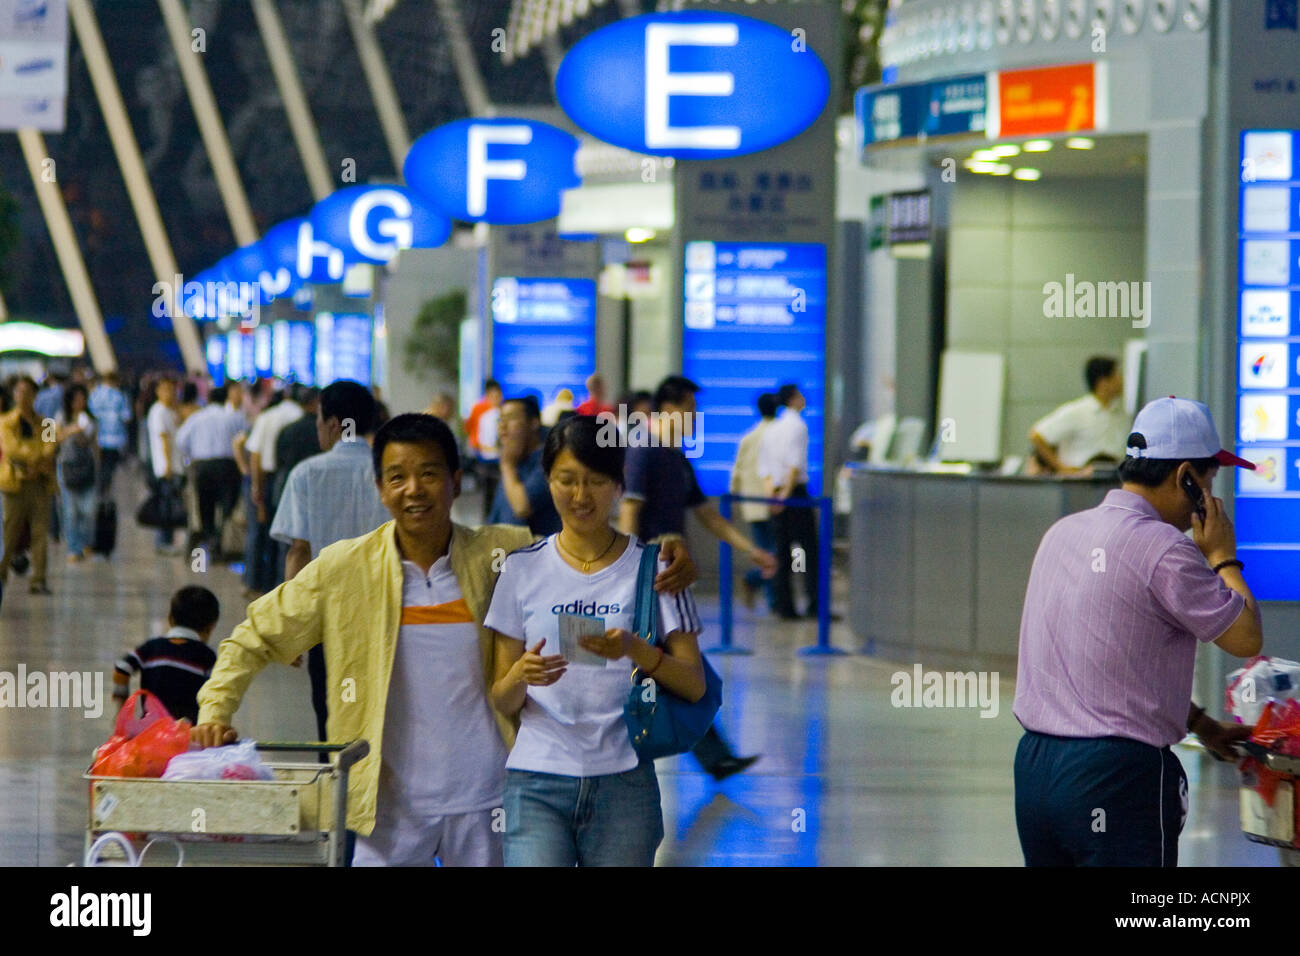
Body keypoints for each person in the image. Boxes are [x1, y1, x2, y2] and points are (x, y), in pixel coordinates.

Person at [192, 413, 696, 867]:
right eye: (398, 477)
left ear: (455, 481)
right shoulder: (345, 570)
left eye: (429, 473)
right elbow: (253, 635)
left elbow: (586, 551)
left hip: (489, 803)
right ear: (380, 488)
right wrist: (215, 711)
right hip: (387, 811)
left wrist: (666, 553)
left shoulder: (502, 555)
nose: (415, 489)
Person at [1013, 397, 1263, 867]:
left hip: (1036, 772)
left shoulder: (1062, 533)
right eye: (1209, 480)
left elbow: (1109, 665)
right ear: (1185, 476)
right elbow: (1245, 637)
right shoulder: (1166, 549)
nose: (1211, 494)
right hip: (1116, 777)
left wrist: (1201, 725)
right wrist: (1222, 557)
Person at [487, 415, 704, 867]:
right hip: (537, 780)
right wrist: (520, 676)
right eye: (567, 480)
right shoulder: (520, 569)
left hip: (625, 782)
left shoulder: (655, 568)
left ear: (619, 484)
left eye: (596, 481)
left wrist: (637, 650)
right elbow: (501, 700)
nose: (581, 496)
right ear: (547, 481)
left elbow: (694, 684)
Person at [619, 375, 775, 781]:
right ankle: (694, 753)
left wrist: (751, 550)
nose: (695, 417)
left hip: (669, 584)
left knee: (684, 672)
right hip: (650, 582)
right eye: (690, 409)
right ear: (668, 409)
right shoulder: (644, 452)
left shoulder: (677, 459)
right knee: (682, 672)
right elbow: (629, 515)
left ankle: (714, 755)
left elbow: (708, 516)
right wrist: (627, 576)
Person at [269, 381, 388, 743]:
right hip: (383, 610)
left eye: (320, 419)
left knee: (329, 712)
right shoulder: (389, 472)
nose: (317, 427)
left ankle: (337, 789)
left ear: (335, 424)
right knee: (378, 710)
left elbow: (299, 552)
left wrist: (291, 627)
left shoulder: (306, 474)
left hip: (328, 617)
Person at [112, 585, 220, 724]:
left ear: (170, 619)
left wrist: (121, 711)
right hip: (187, 736)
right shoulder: (207, 657)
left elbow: (122, 668)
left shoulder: (151, 648)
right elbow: (215, 695)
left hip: (150, 732)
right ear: (210, 627)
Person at [759, 383, 819, 620]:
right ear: (793, 399)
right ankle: (814, 603)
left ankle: (784, 605)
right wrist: (785, 494)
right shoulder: (798, 426)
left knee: (782, 552)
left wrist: (773, 495)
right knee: (809, 551)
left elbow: (764, 466)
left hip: (774, 492)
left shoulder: (772, 427)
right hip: (794, 494)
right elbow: (794, 464)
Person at [241, 386, 303, 594]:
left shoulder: (266, 417)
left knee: (258, 533)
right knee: (286, 538)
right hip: (290, 479)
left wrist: (256, 487)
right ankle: (281, 586)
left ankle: (254, 583)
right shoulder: (302, 418)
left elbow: (255, 455)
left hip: (266, 479)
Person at [176, 384, 248, 558]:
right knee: (226, 506)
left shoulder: (197, 417)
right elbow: (244, 440)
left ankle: (209, 537)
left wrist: (191, 456)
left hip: (203, 467)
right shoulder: (235, 418)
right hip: (228, 467)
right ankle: (219, 538)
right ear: (226, 399)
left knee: (205, 506)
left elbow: (181, 441)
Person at [0, 376, 57, 594]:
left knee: (40, 533)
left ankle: (38, 579)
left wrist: (37, 460)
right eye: (19, 392)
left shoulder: (47, 422)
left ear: (35, 395)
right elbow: (12, 449)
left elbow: (50, 447)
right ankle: (1, 573)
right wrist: (37, 458)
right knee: (8, 532)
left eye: (27, 392)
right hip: (14, 484)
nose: (23, 397)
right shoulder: (5, 422)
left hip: (40, 485)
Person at [1028, 356, 1128, 476]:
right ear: (1103, 382)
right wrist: (1062, 468)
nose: (1122, 381)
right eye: (1117, 376)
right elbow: (1036, 435)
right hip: (1079, 484)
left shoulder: (1121, 415)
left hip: (1111, 481)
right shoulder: (1078, 411)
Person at [731, 392, 779, 611]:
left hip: (752, 505)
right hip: (776, 502)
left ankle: (769, 595)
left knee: (764, 552)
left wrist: (735, 497)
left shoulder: (748, 437)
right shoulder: (778, 434)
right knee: (779, 552)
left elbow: (737, 470)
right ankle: (758, 585)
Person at [490, 395, 560, 536]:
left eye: (511, 418)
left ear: (534, 423)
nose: (503, 425)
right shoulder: (514, 458)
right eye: (501, 419)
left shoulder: (549, 460)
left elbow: (521, 507)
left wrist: (507, 466)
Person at [54, 383, 98, 564]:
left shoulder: (90, 418)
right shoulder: (59, 416)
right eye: (76, 399)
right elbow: (51, 438)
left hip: (87, 466)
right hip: (66, 466)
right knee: (70, 511)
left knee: (88, 510)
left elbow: (92, 442)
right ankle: (73, 547)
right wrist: (72, 429)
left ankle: (86, 542)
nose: (79, 403)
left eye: (82, 399)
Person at [146, 377, 184, 555]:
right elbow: (163, 439)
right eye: (166, 390)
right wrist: (167, 464)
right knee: (165, 505)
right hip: (166, 467)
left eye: (172, 389)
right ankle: (163, 541)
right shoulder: (158, 412)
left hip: (175, 464)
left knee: (170, 504)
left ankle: (168, 539)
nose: (170, 393)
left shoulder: (170, 411)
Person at [88, 370, 131, 498]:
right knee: (110, 467)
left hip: (97, 438)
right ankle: (106, 491)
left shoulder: (95, 394)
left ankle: (99, 491)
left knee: (99, 466)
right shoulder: (119, 396)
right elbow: (126, 416)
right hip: (115, 438)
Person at [466, 381, 503, 522]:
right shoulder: (484, 417)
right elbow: (482, 442)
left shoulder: (505, 414)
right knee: (489, 495)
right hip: (489, 461)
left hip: (501, 460)